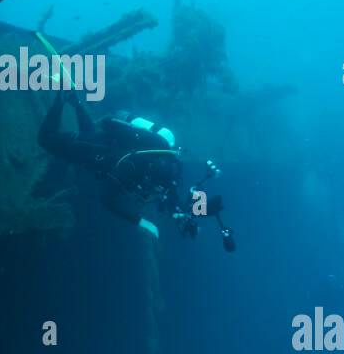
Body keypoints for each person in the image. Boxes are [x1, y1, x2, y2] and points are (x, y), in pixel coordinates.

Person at [38, 90, 235, 250]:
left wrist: (199, 211)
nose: (157, 191)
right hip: (92, 151)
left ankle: (75, 101)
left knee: (91, 135)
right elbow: (106, 198)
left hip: (106, 147)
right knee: (46, 139)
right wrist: (141, 222)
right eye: (157, 186)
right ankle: (60, 97)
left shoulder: (166, 171)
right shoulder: (134, 165)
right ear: (155, 174)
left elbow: (174, 203)